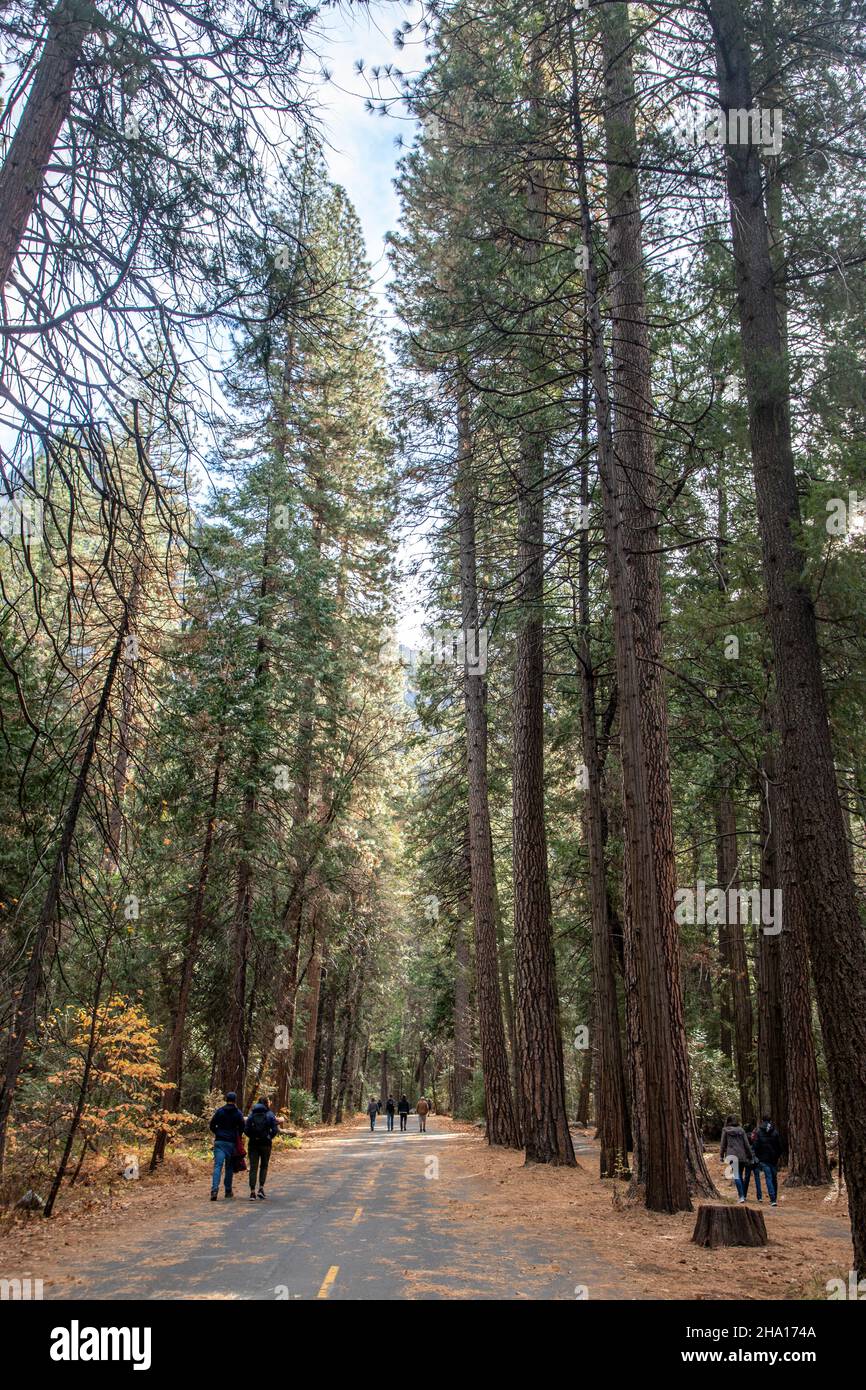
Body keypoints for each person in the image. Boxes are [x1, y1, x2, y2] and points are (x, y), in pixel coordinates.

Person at [209, 1091, 246, 1200]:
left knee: (217, 1166)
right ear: (235, 1100)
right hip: (231, 1143)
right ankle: (228, 1191)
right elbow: (242, 1127)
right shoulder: (238, 1113)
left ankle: (214, 1190)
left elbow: (212, 1125)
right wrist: (237, 1136)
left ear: (226, 1099)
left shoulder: (220, 1111)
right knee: (229, 1167)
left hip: (219, 1142)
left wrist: (218, 1132)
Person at [245, 1095, 279, 1200]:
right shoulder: (270, 1115)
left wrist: (252, 1137)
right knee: (264, 1166)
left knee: (253, 1168)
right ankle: (261, 1188)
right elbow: (275, 1129)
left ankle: (252, 1192)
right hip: (266, 1144)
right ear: (266, 1103)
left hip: (253, 1144)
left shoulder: (252, 1115)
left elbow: (246, 1129)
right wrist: (269, 1137)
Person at [719, 1114, 755, 1203]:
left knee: (736, 1175)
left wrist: (721, 1155)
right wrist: (750, 1155)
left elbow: (723, 1144)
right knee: (740, 1174)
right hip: (742, 1155)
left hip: (731, 1155)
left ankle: (741, 1196)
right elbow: (746, 1144)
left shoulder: (725, 1130)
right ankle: (743, 1195)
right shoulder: (741, 1130)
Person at [751, 1115, 782, 1207]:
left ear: (762, 1120)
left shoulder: (759, 1132)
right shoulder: (775, 1132)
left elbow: (756, 1146)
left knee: (768, 1177)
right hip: (773, 1159)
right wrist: (777, 1156)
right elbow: (779, 1146)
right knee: (774, 1178)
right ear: (770, 1121)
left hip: (763, 1159)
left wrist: (757, 1156)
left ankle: (772, 1199)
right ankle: (774, 1197)